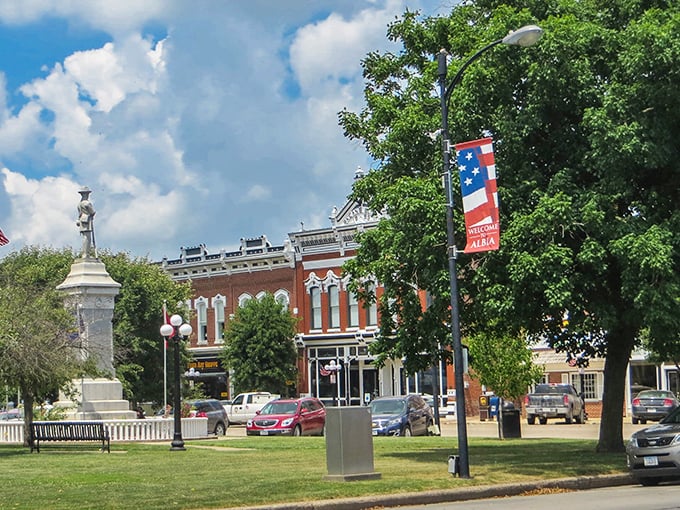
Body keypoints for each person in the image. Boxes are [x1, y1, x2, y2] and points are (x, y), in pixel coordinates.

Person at [76, 187, 96, 258]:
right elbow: (92, 212)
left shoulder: (79, 204)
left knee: (85, 237)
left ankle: (85, 253)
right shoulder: (87, 203)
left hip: (82, 220)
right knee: (87, 238)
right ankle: (86, 254)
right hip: (87, 220)